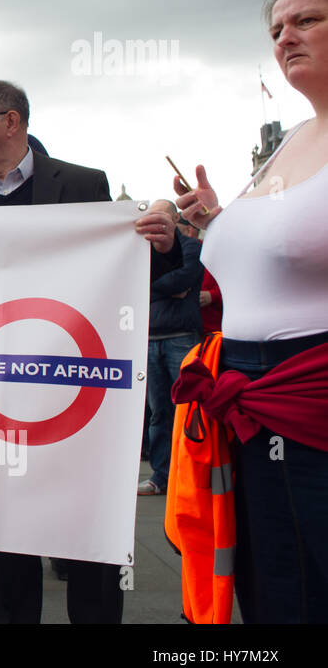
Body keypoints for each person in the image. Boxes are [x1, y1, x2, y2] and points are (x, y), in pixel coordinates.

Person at [0, 79, 178, 624]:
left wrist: (162, 235)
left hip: (74, 385)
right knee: (6, 541)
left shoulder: (85, 185)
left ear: (11, 121)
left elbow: (126, 268)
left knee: (88, 536)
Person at [171, 0, 328, 623]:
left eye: (308, 20)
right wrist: (212, 222)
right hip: (244, 403)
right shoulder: (290, 142)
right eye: (276, 27)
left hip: (310, 392)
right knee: (269, 586)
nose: (285, 37)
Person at [139, 200, 202, 497]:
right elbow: (139, 282)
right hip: (150, 338)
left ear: (175, 218)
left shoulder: (190, 246)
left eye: (163, 216)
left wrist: (149, 286)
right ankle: (161, 476)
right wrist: (166, 287)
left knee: (190, 409)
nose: (157, 222)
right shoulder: (143, 250)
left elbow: (188, 276)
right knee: (159, 413)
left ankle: (194, 474)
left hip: (182, 337)